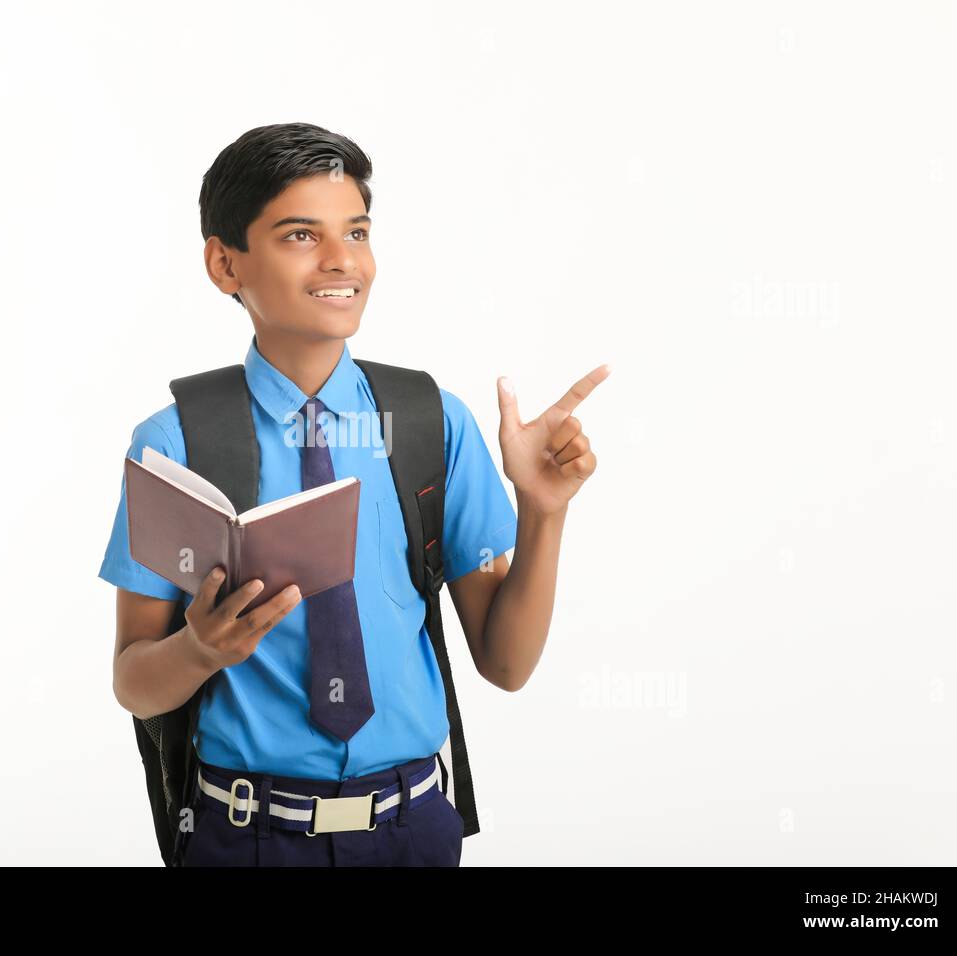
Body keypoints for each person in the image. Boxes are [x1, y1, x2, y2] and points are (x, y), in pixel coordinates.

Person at [100, 122, 608, 866]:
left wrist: (543, 512)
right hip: (244, 837)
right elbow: (134, 683)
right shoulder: (176, 444)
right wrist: (200, 648)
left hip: (412, 828)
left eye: (358, 232)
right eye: (300, 235)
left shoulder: (432, 422)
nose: (343, 260)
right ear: (224, 263)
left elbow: (506, 665)